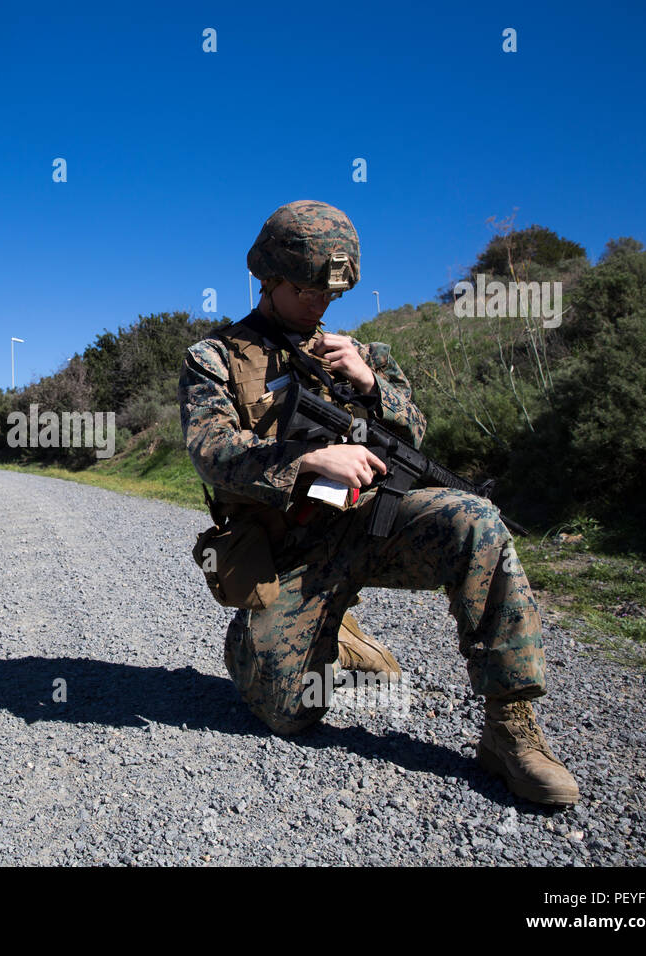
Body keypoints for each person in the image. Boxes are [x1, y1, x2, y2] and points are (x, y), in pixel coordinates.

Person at [177, 200, 579, 806]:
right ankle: (326, 636)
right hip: (289, 552)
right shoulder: (214, 359)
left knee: (476, 522)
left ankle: (511, 730)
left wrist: (371, 384)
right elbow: (209, 449)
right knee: (289, 713)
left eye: (332, 293)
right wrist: (305, 459)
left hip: (371, 525)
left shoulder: (364, 354)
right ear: (268, 279)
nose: (322, 303)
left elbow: (416, 432)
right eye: (309, 289)